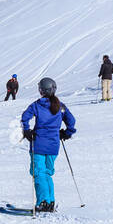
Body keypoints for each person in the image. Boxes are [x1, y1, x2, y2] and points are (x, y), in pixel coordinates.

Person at [21, 78, 76, 213]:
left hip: (39, 145)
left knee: (38, 173)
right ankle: (50, 202)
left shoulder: (37, 105)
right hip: (53, 146)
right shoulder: (60, 106)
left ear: (41, 90)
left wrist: (27, 130)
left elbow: (25, 117)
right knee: (47, 173)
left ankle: (43, 202)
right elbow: (72, 121)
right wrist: (66, 133)